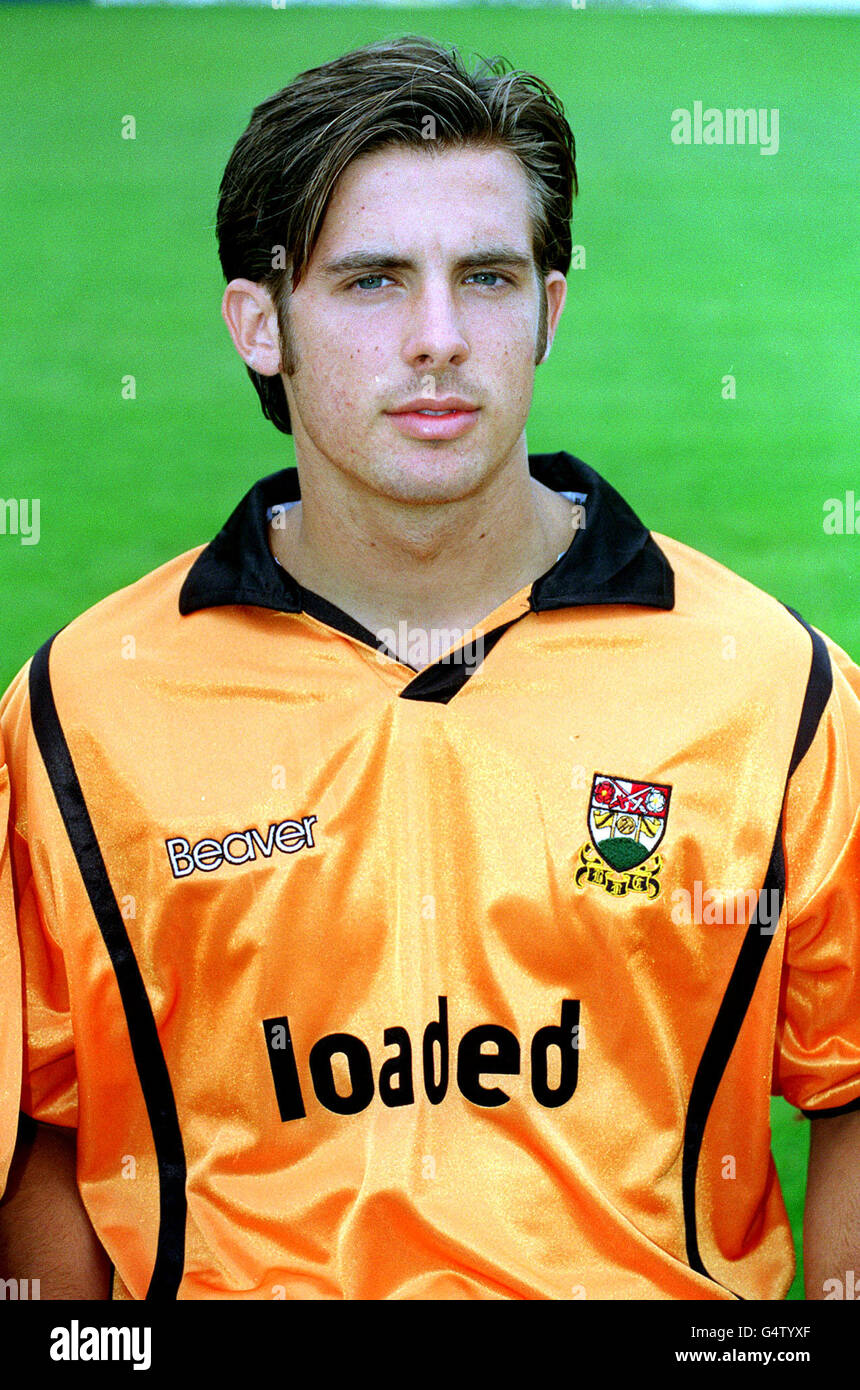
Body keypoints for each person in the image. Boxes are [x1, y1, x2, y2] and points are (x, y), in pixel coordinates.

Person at [0, 34, 857, 1302]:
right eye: (372, 282)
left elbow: (847, 1082)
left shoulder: (773, 686)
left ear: (549, 310)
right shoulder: (84, 705)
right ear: (259, 324)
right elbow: (48, 1131)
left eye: (489, 277)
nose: (440, 337)